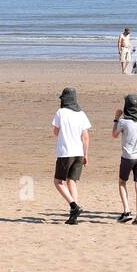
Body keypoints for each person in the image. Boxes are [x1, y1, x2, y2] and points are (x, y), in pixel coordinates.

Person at [51, 87, 91, 224]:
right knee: (71, 181)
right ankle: (74, 216)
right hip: (79, 152)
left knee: (57, 181)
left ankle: (74, 206)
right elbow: (85, 137)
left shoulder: (60, 113)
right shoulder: (81, 114)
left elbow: (55, 132)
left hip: (65, 152)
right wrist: (86, 154)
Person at [112, 93, 137, 225]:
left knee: (122, 182)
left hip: (128, 157)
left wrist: (116, 118)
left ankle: (127, 210)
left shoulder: (123, 121)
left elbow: (114, 135)